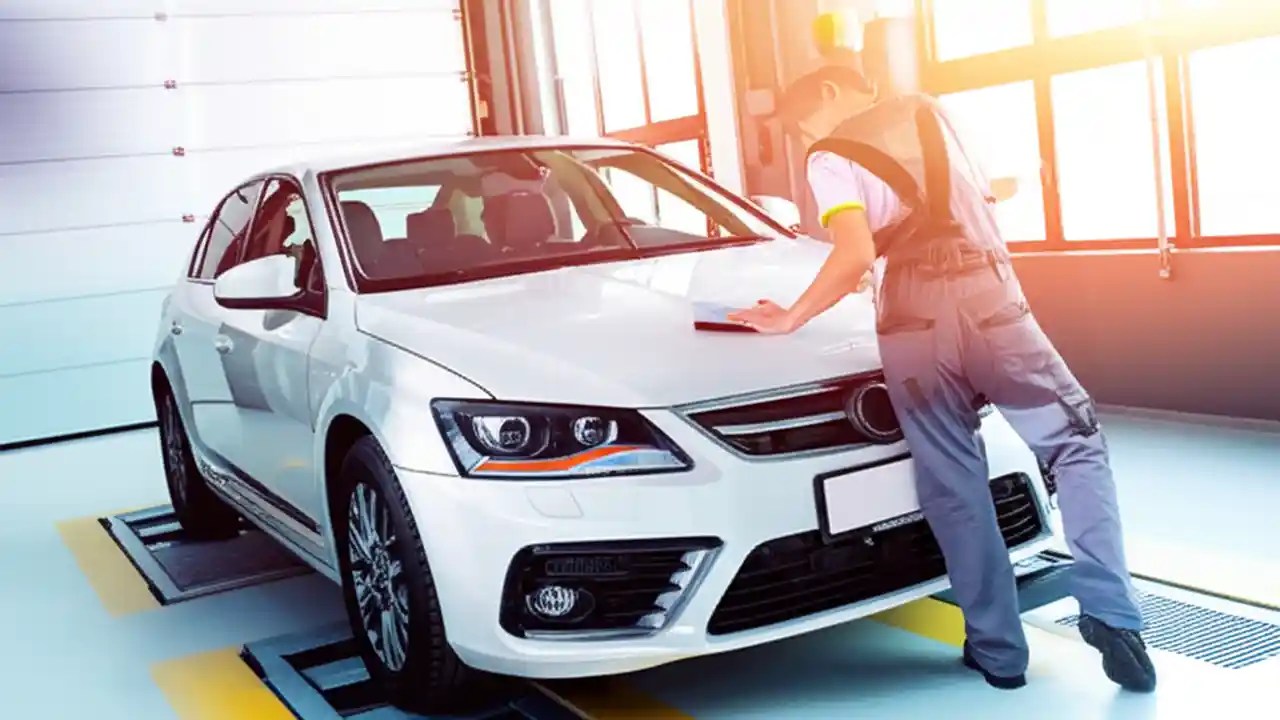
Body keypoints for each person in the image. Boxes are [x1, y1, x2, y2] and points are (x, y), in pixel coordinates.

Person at [728, 65, 1156, 693]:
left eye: (799, 125)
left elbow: (851, 255)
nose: (803, 138)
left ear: (826, 95)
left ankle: (999, 652)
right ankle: (1112, 616)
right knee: (1074, 445)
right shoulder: (937, 116)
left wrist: (791, 315)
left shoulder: (831, 156)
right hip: (992, 305)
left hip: (911, 321)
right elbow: (985, 190)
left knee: (954, 482)